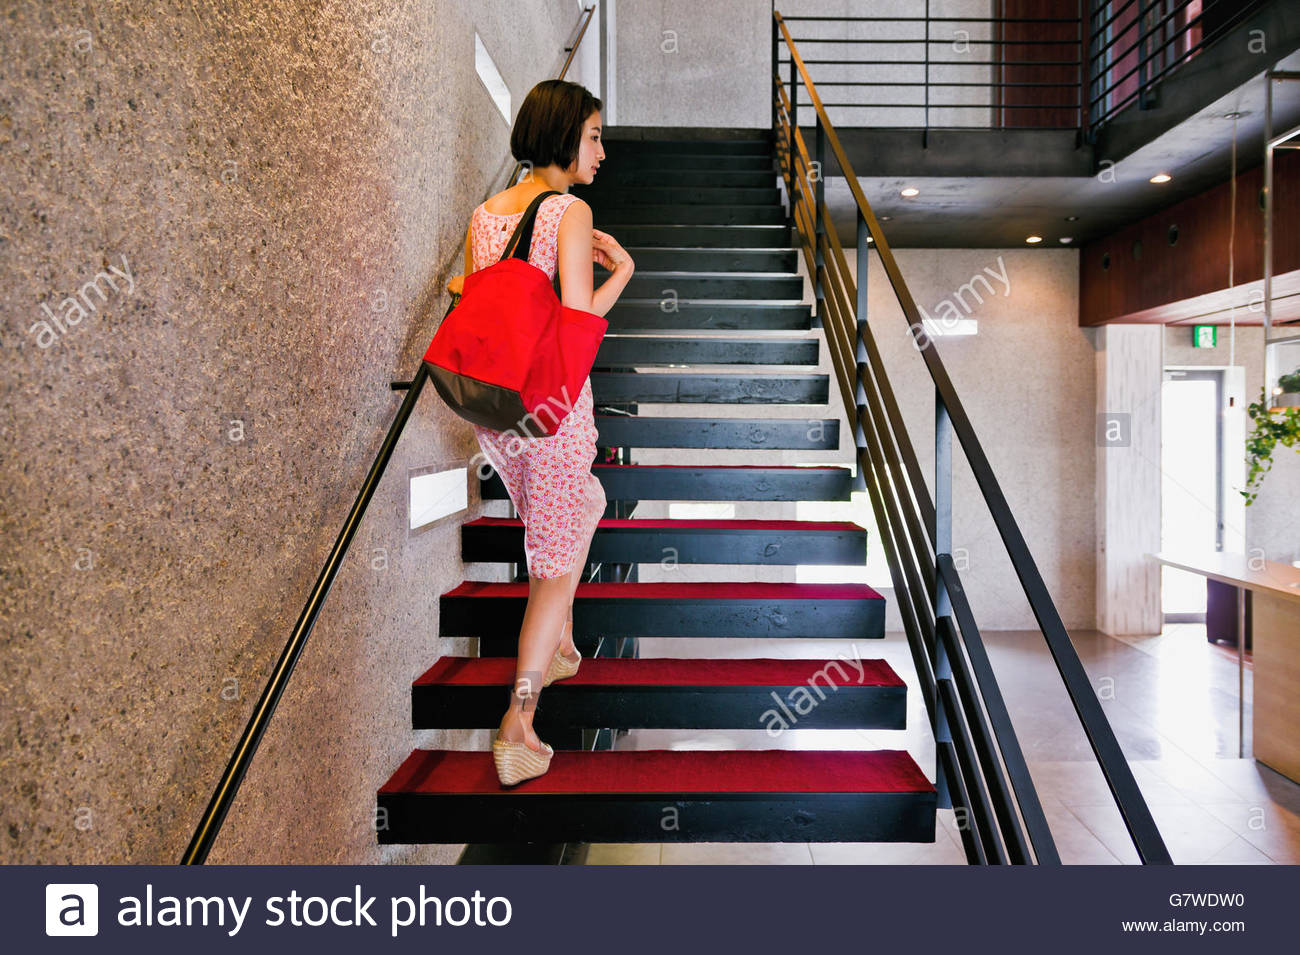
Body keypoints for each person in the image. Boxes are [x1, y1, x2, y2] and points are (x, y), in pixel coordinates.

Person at [450, 79, 634, 786]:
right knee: (555, 571)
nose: (602, 150)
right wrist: (623, 270)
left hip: (499, 412)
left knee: (576, 510)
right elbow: (579, 326)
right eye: (592, 135)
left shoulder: (485, 213)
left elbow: (472, 303)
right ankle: (519, 722)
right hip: (553, 412)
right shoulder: (569, 211)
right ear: (563, 135)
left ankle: (559, 640)